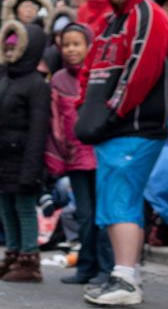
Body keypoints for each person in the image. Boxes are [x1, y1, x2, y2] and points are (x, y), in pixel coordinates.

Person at [75, 0, 168, 305]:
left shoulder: (148, 14)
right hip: (111, 129)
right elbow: (90, 68)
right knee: (115, 201)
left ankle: (127, 279)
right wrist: (83, 108)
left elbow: (141, 69)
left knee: (121, 200)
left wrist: (110, 112)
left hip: (134, 127)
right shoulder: (110, 22)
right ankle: (121, 273)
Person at [45, 22, 114, 286]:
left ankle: (106, 268)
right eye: (66, 45)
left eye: (77, 44)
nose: (71, 50)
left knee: (103, 214)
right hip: (75, 158)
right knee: (84, 215)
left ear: (89, 46)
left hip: (100, 155)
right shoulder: (59, 79)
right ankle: (86, 266)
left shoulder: (100, 75)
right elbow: (55, 122)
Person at [0, 21, 51, 283]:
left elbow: (38, 129)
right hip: (4, 156)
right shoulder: (5, 77)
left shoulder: (36, 84)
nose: (9, 51)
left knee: (23, 208)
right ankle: (13, 254)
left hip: (22, 157)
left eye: (14, 46)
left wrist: (32, 168)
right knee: (5, 207)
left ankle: (29, 259)